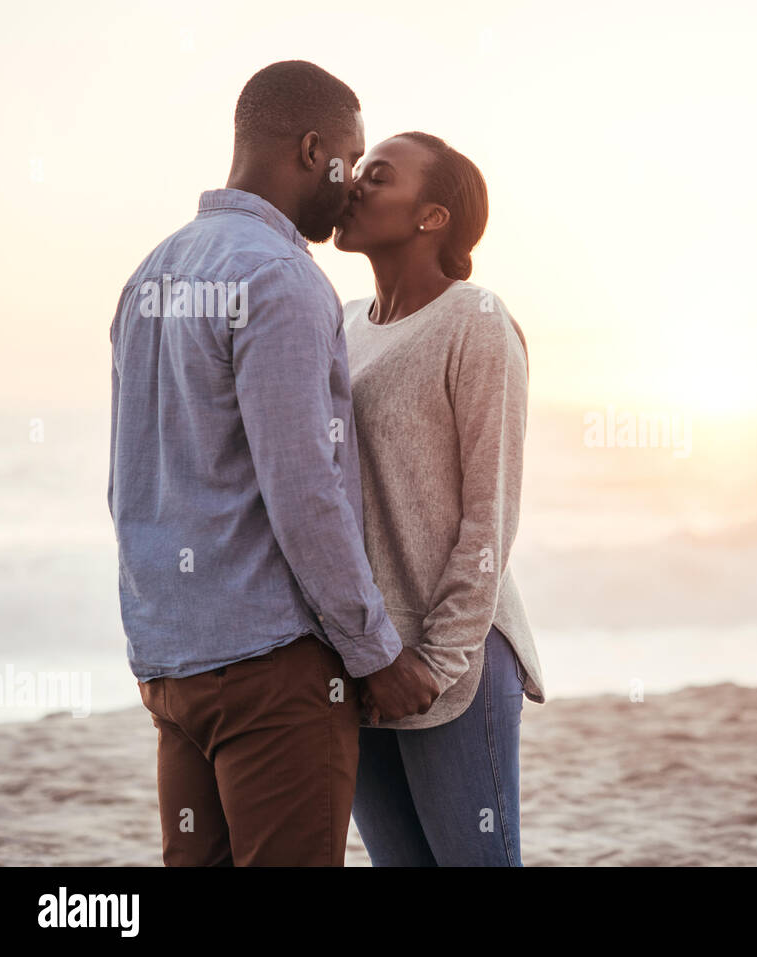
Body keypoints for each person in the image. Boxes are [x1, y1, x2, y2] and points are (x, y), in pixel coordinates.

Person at [107, 61, 438, 867]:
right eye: (350, 162)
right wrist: (375, 652)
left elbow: (131, 484)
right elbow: (304, 493)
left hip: (171, 666)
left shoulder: (151, 273)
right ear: (312, 147)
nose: (352, 183)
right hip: (272, 671)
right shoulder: (282, 277)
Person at [332, 132, 545, 866]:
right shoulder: (344, 323)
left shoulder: (475, 322)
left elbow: (492, 514)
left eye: (378, 175)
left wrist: (437, 661)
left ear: (432, 217)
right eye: (358, 170)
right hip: (366, 659)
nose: (353, 183)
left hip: (452, 661)